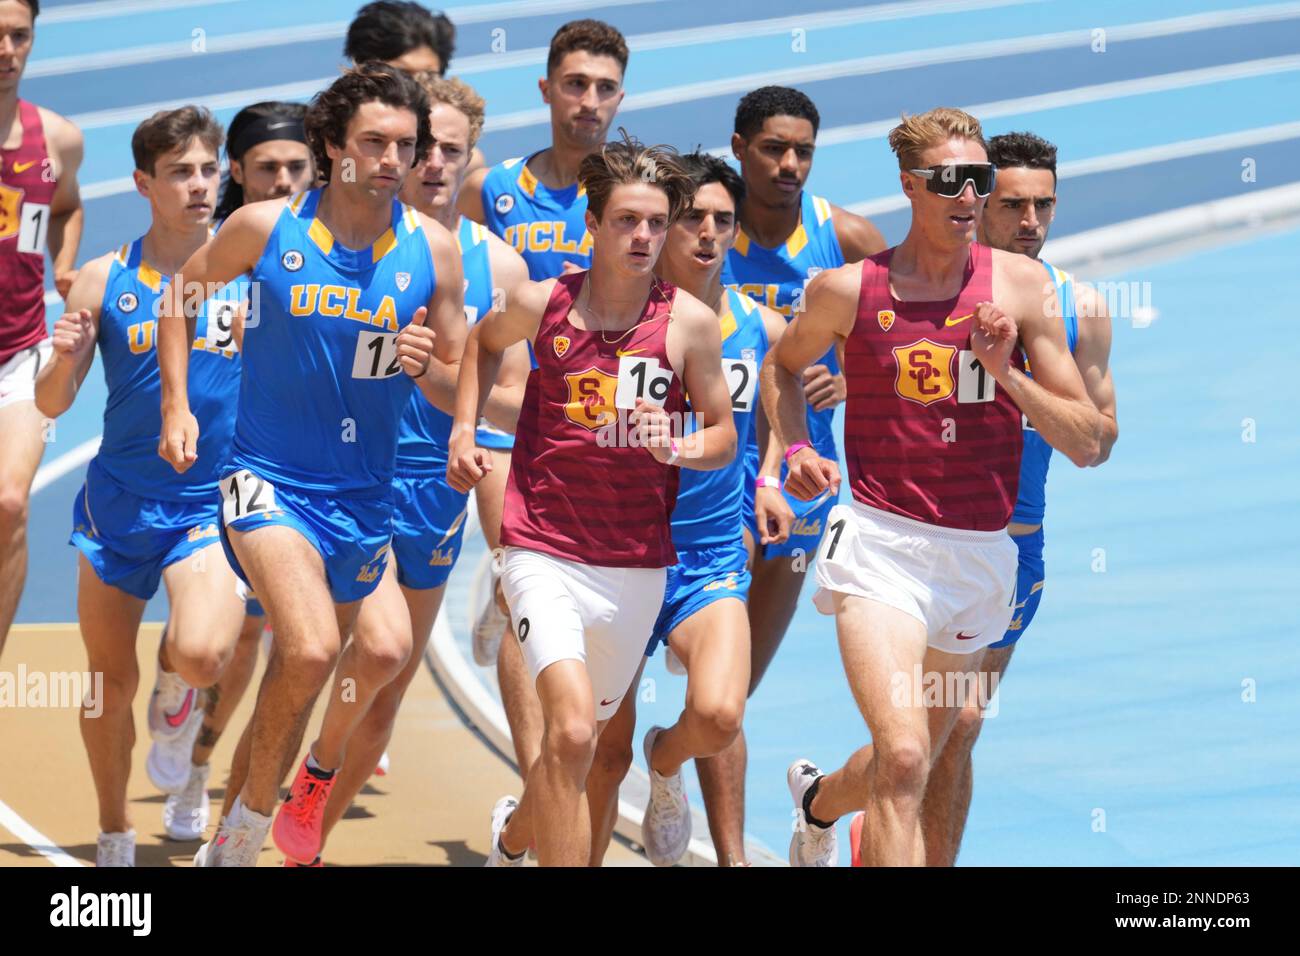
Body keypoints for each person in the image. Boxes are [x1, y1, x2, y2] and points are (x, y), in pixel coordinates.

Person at [764, 107, 1102, 866]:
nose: (968, 195)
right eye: (949, 180)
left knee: (916, 756)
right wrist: (791, 450)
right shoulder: (849, 289)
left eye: (978, 180)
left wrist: (1008, 370)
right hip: (881, 546)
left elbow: (1089, 441)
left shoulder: (1021, 289)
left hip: (982, 555)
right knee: (908, 756)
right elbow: (784, 365)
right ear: (911, 185)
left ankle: (818, 804)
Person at [157, 64, 465, 867]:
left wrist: (424, 365)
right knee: (312, 650)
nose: (395, 157)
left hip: (364, 498)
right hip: (265, 479)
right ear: (333, 146)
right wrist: (177, 407)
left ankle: (236, 818)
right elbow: (179, 300)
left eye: (408, 144)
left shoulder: (434, 250)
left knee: (306, 677)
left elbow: (456, 382)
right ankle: (250, 833)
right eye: (375, 141)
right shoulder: (265, 228)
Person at [447, 138, 737, 866]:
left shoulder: (689, 326)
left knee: (590, 749)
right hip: (541, 547)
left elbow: (724, 436)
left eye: (655, 223)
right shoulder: (543, 302)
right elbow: (482, 345)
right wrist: (463, 430)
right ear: (594, 225)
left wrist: (675, 444)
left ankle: (514, 840)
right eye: (626, 221)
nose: (643, 237)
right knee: (571, 733)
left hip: (635, 564)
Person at [276, 74, 529, 866]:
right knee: (364, 651)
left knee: (383, 697)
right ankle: (271, 789)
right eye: (421, 148)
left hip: (437, 486)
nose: (431, 165)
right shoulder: (360, 238)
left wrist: (440, 386)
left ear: (468, 157)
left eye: (450, 150)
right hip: (352, 474)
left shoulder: (499, 268)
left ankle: (306, 835)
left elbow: (514, 405)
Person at [33, 107, 245, 866]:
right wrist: (64, 355)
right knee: (104, 682)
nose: (198, 185)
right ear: (143, 184)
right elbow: (53, 403)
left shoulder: (250, 270)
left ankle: (177, 693)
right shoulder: (105, 276)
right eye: (180, 172)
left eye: (208, 169)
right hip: (119, 504)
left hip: (207, 506)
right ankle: (115, 825)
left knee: (201, 655)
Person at [583, 151, 790, 866]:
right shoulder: (617, 317)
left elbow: (785, 404)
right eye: (692, 218)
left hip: (709, 551)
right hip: (618, 550)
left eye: (723, 222)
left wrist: (773, 476)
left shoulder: (760, 327)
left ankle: (666, 763)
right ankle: (522, 842)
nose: (707, 233)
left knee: (719, 713)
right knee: (603, 758)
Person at [698, 85, 886, 859]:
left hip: (805, 475)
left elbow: (900, 350)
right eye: (773, 147)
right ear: (739, 145)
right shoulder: (703, 231)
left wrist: (852, 382)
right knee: (717, 686)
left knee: (734, 695)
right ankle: (730, 851)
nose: (789, 163)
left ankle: (786, 804)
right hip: (713, 475)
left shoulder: (845, 237)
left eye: (803, 150)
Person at [457, 17, 629, 813]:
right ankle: (541, 789)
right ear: (547, 90)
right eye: (575, 85)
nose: (588, 102)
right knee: (525, 581)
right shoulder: (493, 192)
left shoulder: (633, 194)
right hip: (512, 420)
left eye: (604, 88)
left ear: (621, 96)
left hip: (602, 430)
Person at [161, 101, 317, 843]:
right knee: (222, 651)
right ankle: (192, 746)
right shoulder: (220, 255)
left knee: (283, 648)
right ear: (237, 171)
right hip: (207, 483)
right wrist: (174, 410)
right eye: (266, 169)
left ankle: (219, 788)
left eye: (295, 168)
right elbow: (169, 312)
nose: (282, 181)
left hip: (291, 484)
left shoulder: (327, 252)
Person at [0, 0, 84, 659]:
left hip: (19, 354)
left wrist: (62, 262)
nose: (5, 48)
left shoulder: (56, 139)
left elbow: (68, 206)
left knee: (7, 505)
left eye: (18, 35)